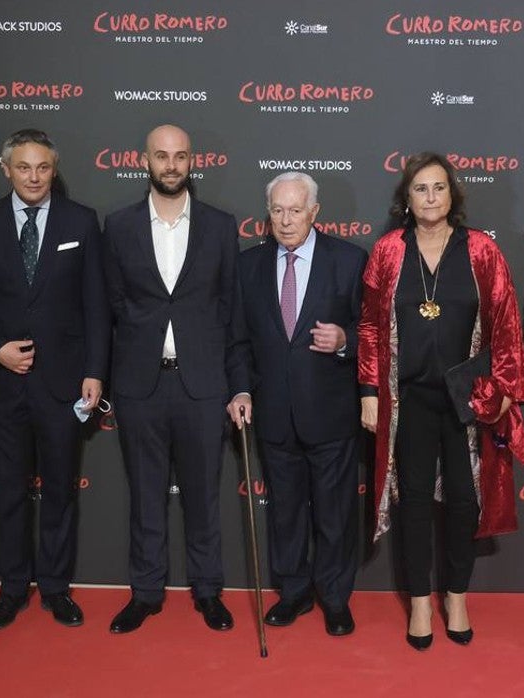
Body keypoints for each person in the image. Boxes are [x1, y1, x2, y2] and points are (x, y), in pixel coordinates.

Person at [359, 152, 524, 650]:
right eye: (420, 189)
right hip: (407, 399)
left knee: (463, 500)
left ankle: (455, 594)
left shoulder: (481, 251)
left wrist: (503, 388)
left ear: (452, 195)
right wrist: (369, 391)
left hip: (467, 401)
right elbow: (370, 326)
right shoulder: (389, 251)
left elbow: (506, 323)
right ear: (405, 199)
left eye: (438, 188)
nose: (430, 197)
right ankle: (417, 602)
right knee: (412, 501)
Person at [0, 129, 109, 631]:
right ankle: (10, 589)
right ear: (6, 169)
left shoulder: (81, 221)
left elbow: (96, 304)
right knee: (8, 490)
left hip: (63, 385)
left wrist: (94, 371)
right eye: (23, 167)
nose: (33, 177)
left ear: (54, 169)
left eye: (43, 167)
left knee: (61, 491)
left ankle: (55, 588)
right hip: (4, 385)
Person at [102, 124, 245, 634]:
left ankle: (209, 591)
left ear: (192, 161)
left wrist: (237, 383)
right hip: (140, 383)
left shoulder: (220, 226)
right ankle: (145, 592)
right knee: (145, 494)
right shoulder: (118, 227)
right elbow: (112, 306)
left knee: (205, 495)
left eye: (180, 156)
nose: (170, 165)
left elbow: (231, 312)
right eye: (161, 156)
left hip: (203, 385)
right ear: (144, 160)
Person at [226, 172, 368, 636]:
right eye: (277, 211)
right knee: (285, 512)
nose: (286, 221)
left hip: (331, 413)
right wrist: (242, 389)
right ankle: (293, 593)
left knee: (334, 514)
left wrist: (345, 340)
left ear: (314, 212)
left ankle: (334, 597)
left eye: (295, 210)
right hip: (273, 415)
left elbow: (375, 335)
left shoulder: (349, 261)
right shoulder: (247, 267)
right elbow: (238, 342)